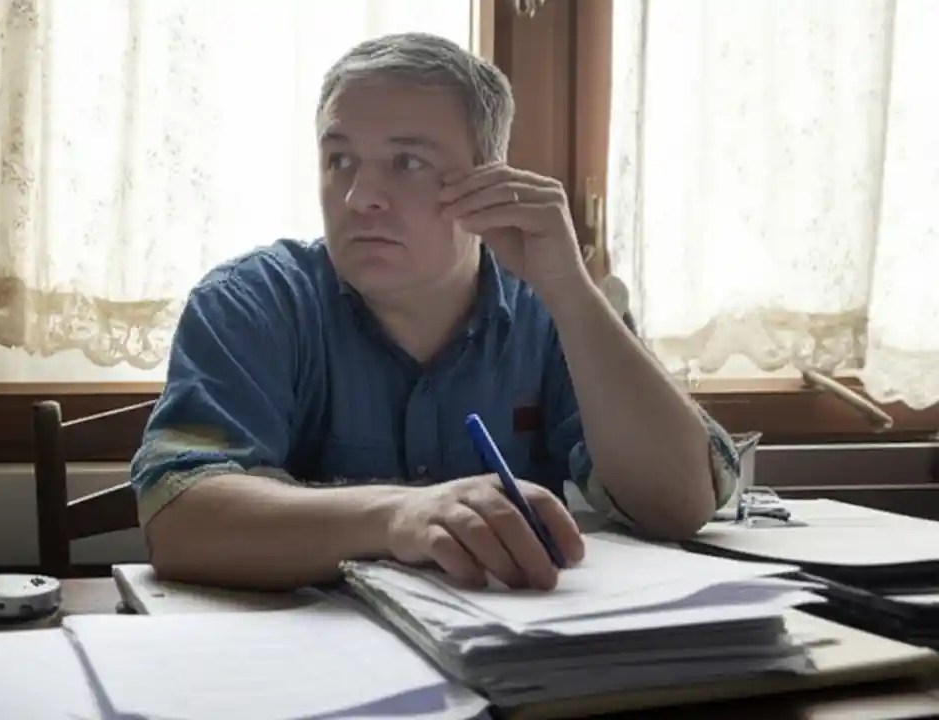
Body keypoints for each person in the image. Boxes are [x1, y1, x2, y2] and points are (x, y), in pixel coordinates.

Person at [129, 32, 740, 592]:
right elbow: (179, 518)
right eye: (340, 159)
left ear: (488, 181)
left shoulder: (550, 310)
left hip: (511, 664)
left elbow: (680, 504)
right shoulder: (253, 302)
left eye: (407, 163)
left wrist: (574, 293)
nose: (358, 197)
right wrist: (401, 514)